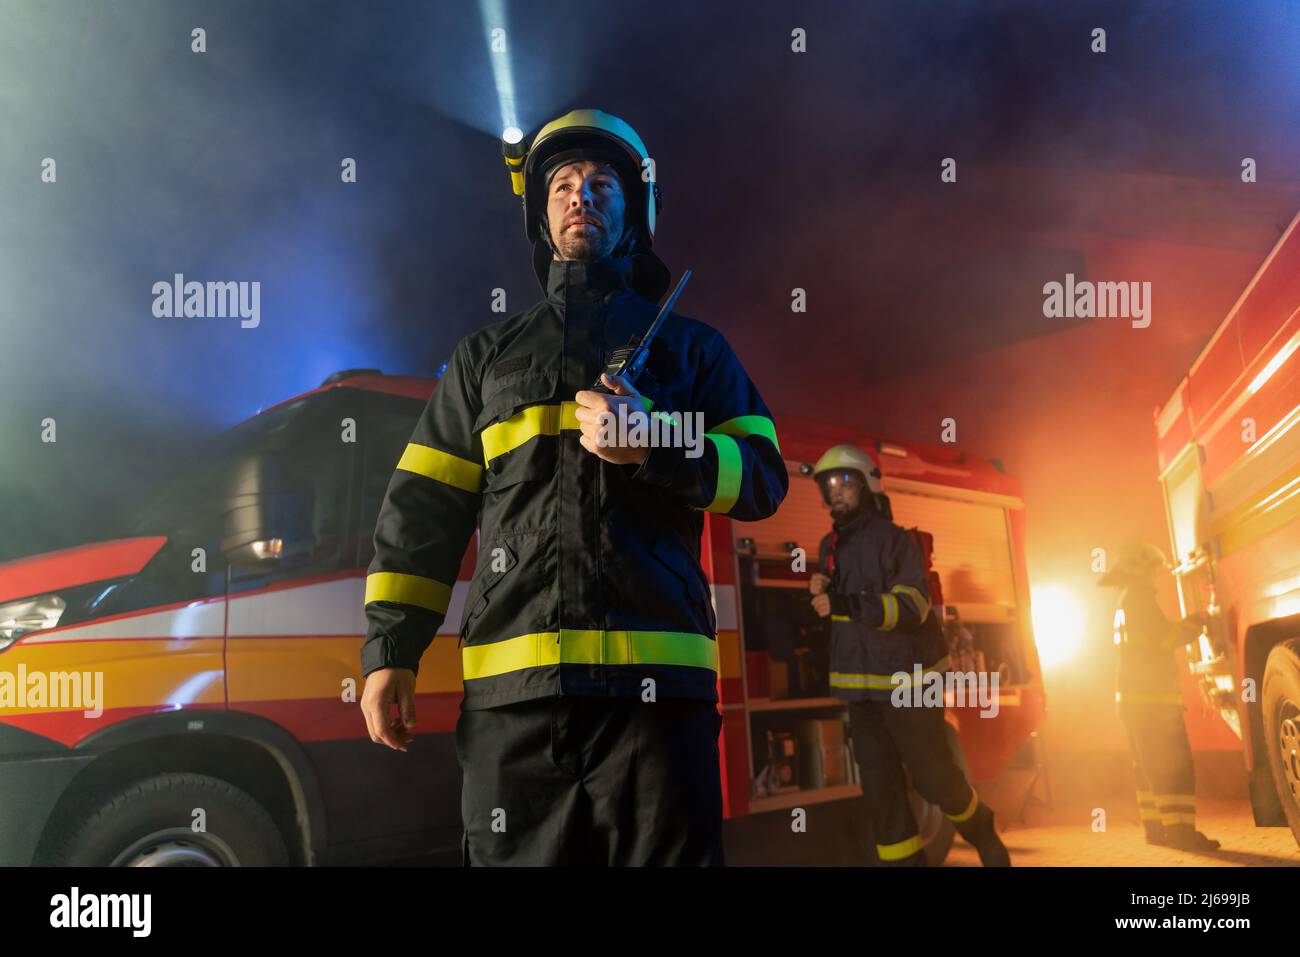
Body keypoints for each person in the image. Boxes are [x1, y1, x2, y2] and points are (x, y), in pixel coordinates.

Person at [358, 109, 788, 865]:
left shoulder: (694, 350)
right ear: (541, 214)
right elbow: (425, 506)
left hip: (659, 708)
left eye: (602, 184)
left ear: (635, 214)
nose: (580, 196)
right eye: (561, 184)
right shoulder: (482, 360)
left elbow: (762, 479)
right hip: (513, 710)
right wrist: (391, 647)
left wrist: (654, 441)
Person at [809, 444, 1009, 866]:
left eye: (845, 482)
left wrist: (845, 603)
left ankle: (983, 831)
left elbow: (912, 607)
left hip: (907, 685)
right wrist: (820, 594)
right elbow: (841, 614)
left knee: (934, 779)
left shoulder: (896, 542)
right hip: (859, 690)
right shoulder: (830, 545)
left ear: (867, 486)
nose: (836, 492)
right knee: (881, 795)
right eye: (829, 485)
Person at [1099, 542, 1219, 851]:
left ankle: (1157, 830)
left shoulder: (1125, 601)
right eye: (1153, 569)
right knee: (1172, 766)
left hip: (1134, 701)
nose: (1155, 576)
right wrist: (1198, 622)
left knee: (1148, 768)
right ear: (1140, 570)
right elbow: (1164, 638)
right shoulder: (1138, 599)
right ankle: (1181, 833)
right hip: (1153, 701)